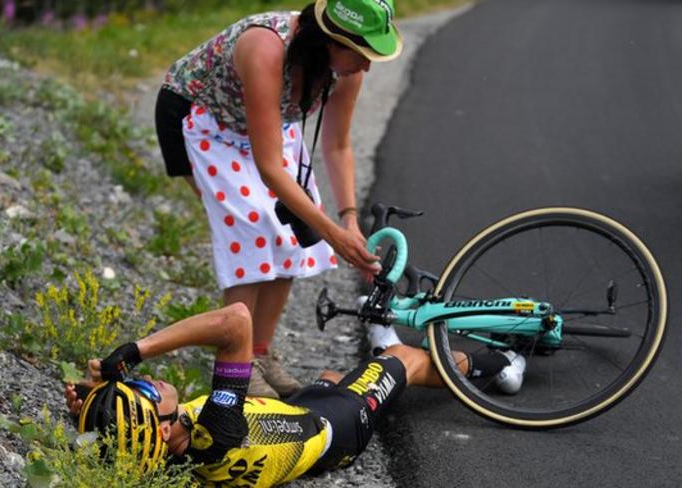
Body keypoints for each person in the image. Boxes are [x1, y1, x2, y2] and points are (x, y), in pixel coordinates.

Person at [154, 0, 403, 398]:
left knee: (293, 231)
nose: (368, 66)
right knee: (254, 225)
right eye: (363, 54)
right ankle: (233, 365)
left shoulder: (345, 71)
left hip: (267, 124)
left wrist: (350, 220)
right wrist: (333, 235)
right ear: (331, 43)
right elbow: (270, 167)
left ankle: (259, 352)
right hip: (202, 120)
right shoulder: (265, 47)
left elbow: (337, 147)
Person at [65, 303, 526, 487]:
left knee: (334, 373)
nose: (153, 383)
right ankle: (501, 367)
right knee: (402, 359)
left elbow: (118, 440)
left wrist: (93, 413)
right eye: (145, 391)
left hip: (298, 411)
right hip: (340, 429)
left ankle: (377, 362)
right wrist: (135, 353)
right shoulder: (216, 435)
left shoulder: (163, 454)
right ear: (162, 431)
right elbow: (236, 321)